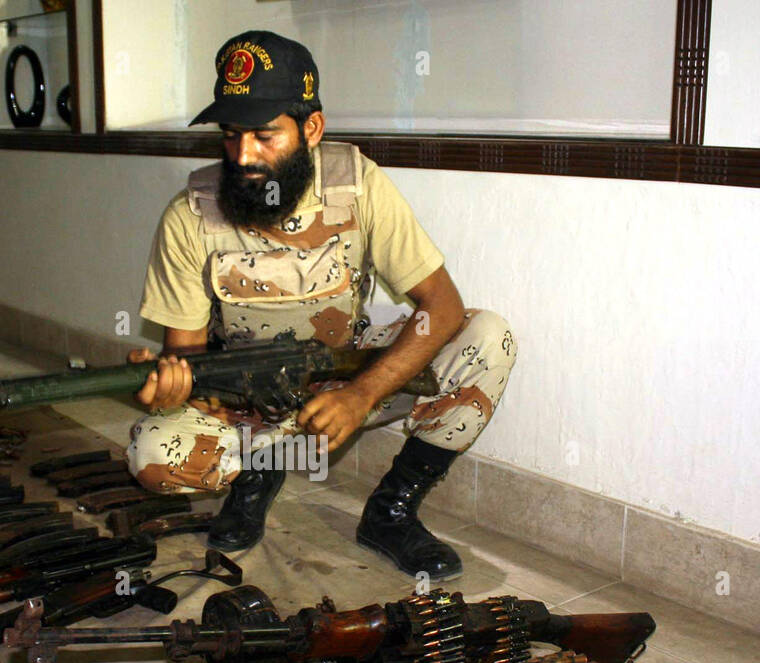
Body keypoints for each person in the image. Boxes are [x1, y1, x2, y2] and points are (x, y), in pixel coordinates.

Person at [126, 30, 516, 581]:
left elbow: (441, 307)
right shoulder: (190, 217)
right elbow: (187, 357)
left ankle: (391, 514)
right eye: (231, 135)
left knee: (487, 337)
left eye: (264, 135)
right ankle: (256, 472)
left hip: (343, 380)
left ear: (311, 128)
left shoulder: (358, 188)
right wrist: (175, 388)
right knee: (153, 452)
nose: (243, 155)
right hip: (248, 401)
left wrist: (360, 396)